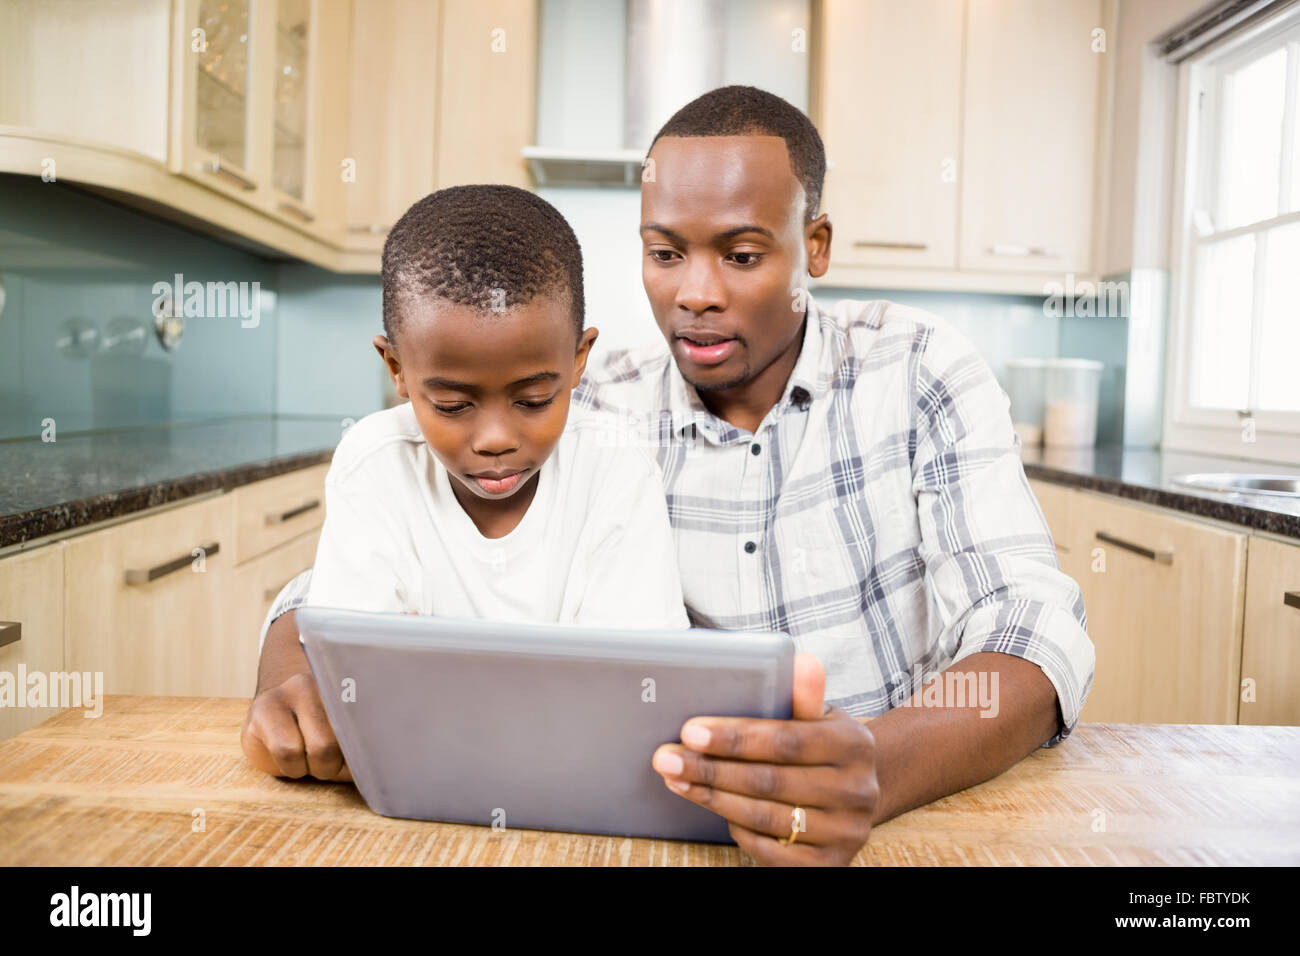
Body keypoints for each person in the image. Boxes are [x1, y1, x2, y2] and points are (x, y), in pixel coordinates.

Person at [249, 86, 1094, 866]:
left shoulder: (917, 371)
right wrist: (292, 679)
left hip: (905, 822)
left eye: (741, 253)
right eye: (665, 252)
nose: (695, 293)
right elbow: (362, 575)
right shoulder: (586, 406)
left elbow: (1028, 630)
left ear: (815, 247)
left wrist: (878, 764)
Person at [240, 185, 689, 778]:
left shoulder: (615, 466)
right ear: (397, 369)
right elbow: (354, 692)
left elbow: (637, 693)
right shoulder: (374, 463)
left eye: (533, 399)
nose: (496, 438)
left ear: (580, 360)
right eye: (452, 405)